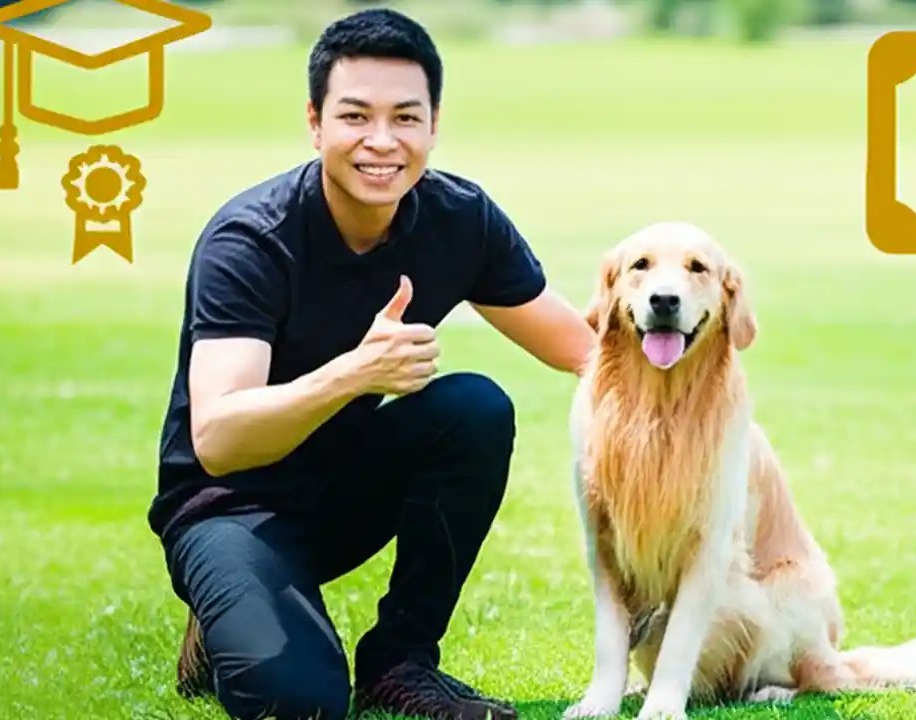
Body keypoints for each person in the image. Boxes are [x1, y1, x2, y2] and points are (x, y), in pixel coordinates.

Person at [148, 8, 595, 720]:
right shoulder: (250, 241)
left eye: (405, 118)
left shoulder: (460, 221)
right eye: (355, 116)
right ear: (315, 122)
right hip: (228, 507)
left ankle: (400, 662)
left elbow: (584, 351)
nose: (381, 142)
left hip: (340, 493)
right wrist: (355, 373)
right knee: (298, 701)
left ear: (433, 125)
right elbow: (219, 440)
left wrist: (672, 309)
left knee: (474, 409)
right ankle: (229, 603)